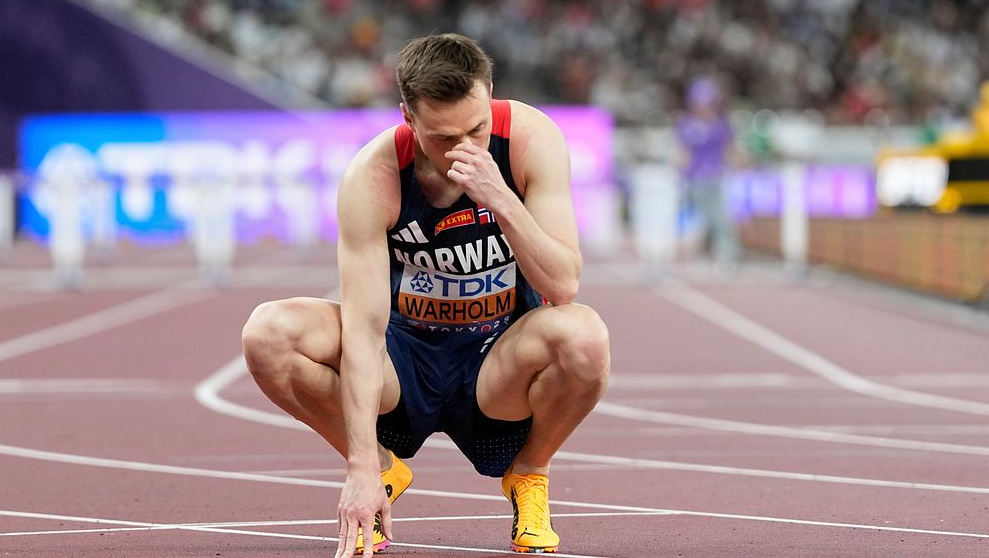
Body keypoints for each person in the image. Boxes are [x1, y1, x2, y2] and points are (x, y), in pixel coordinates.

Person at [242, 33, 610, 556]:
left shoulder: (531, 139)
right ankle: (385, 469)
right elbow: (364, 332)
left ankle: (529, 475)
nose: (465, 148)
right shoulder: (374, 177)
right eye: (442, 137)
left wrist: (500, 197)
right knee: (268, 333)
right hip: (404, 359)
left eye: (477, 129)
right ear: (408, 118)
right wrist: (360, 466)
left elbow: (563, 284)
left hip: (496, 361)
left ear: (490, 93)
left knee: (587, 337)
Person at [676, 77, 740, 269]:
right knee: (694, 220)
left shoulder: (721, 125)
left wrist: (740, 164)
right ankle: (692, 257)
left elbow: (729, 150)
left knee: (719, 218)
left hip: (715, 178)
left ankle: (726, 256)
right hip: (694, 179)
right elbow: (682, 153)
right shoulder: (686, 124)